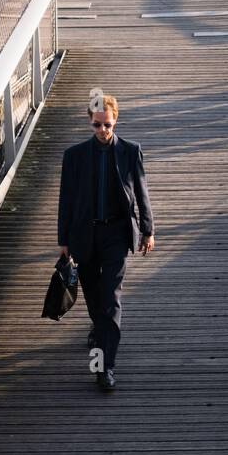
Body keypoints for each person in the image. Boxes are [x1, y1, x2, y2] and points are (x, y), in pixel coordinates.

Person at [57, 94, 154, 392]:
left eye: (107, 125)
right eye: (96, 125)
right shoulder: (74, 156)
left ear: (116, 121)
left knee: (111, 299)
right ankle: (99, 329)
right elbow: (66, 200)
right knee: (94, 298)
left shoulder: (130, 151)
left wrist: (148, 230)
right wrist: (63, 239)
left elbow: (141, 192)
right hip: (84, 236)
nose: (102, 130)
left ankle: (105, 367)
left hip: (116, 235)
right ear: (90, 122)